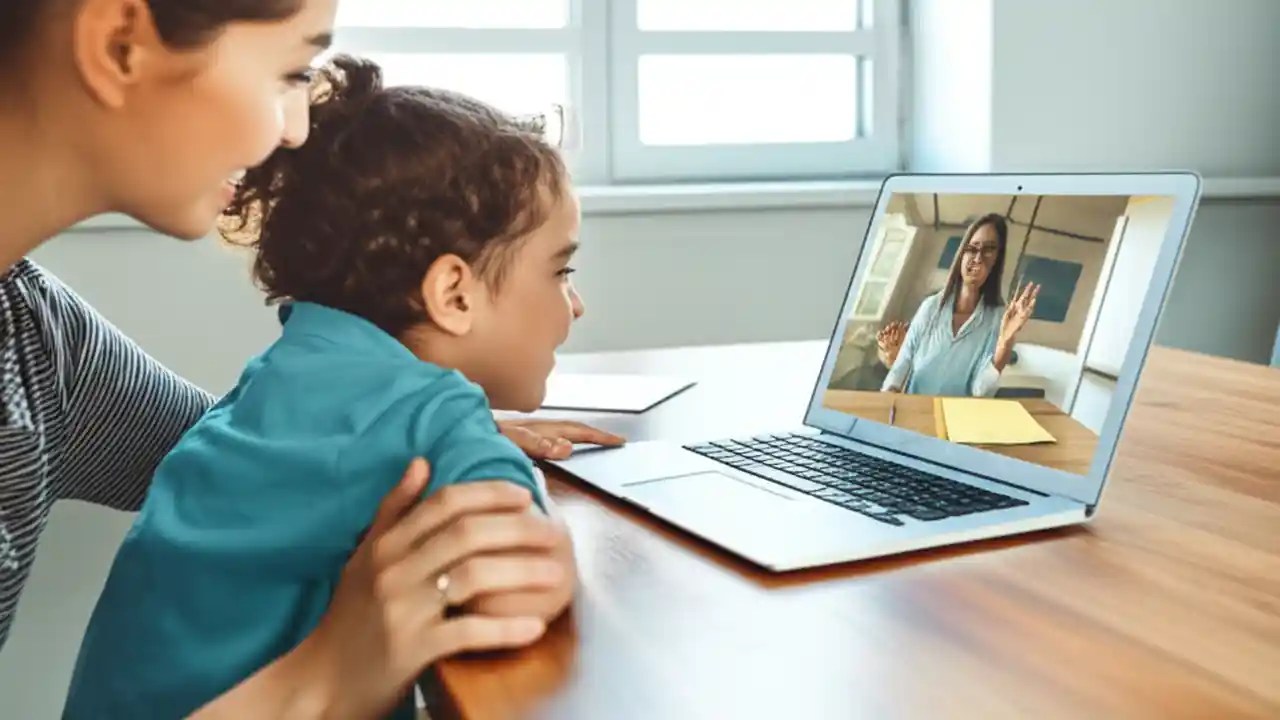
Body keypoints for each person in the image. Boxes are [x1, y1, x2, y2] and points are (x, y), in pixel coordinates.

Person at [0, 1, 621, 716]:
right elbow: (514, 570)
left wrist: (416, 430)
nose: (295, 131)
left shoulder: (38, 336)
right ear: (118, 43)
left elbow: (256, 453)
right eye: (290, 70)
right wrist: (328, 673)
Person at [881, 214, 1040, 397]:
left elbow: (979, 390)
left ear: (997, 260)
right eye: (972, 248)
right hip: (915, 408)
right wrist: (890, 393)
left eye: (988, 250)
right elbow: (901, 366)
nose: (978, 258)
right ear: (961, 254)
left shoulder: (997, 319)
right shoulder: (930, 307)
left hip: (957, 414)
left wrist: (1005, 342)